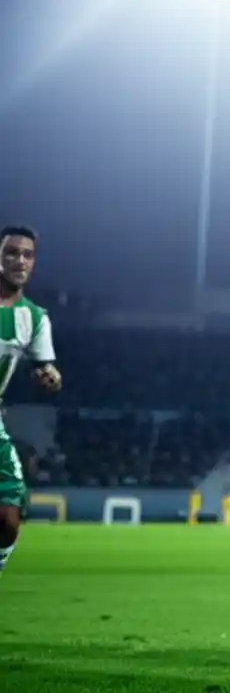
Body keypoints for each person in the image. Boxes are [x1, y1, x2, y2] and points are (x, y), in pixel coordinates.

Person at [0, 226, 62, 578]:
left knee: (9, 517)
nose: (19, 260)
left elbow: (46, 370)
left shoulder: (35, 318)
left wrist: (51, 379)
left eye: (27, 254)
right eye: (10, 252)